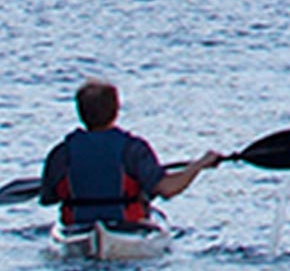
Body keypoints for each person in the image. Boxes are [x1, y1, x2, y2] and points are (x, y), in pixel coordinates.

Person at [39, 80, 220, 236]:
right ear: (116, 110)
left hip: (78, 229)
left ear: (80, 112)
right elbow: (167, 188)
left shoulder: (61, 153)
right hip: (128, 229)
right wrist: (199, 165)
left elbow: (49, 197)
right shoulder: (133, 149)